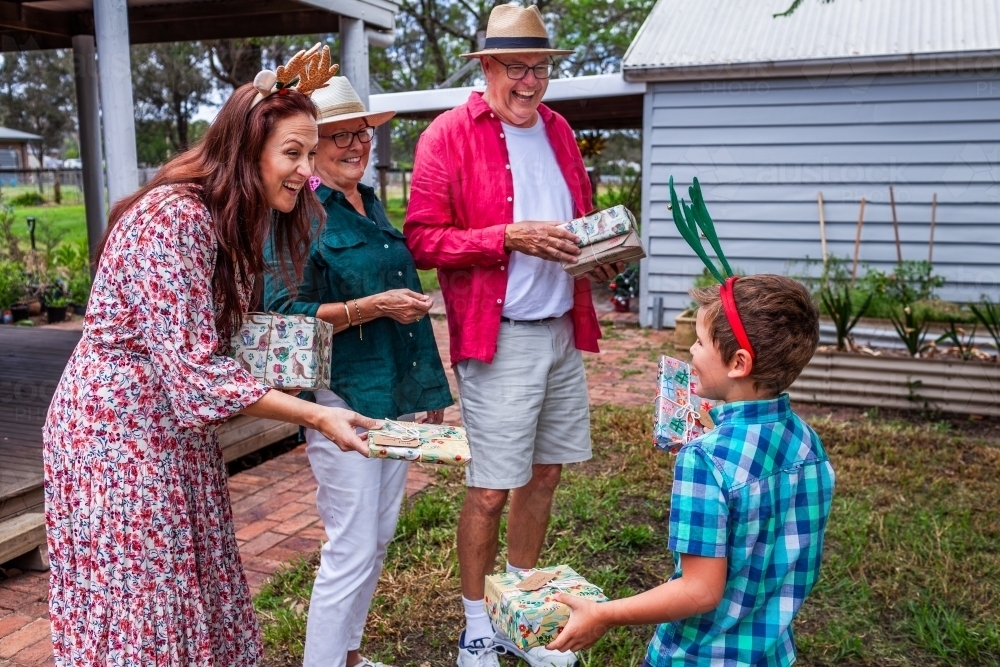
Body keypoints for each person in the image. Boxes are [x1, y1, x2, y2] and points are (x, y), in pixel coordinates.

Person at [42, 48, 378, 667]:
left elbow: (208, 343)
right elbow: (195, 372)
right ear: (247, 151)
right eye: (293, 153)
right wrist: (317, 416)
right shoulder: (178, 217)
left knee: (190, 588)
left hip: (169, 430)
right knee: (144, 605)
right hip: (117, 437)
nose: (306, 169)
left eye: (311, 153)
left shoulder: (221, 215)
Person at [404, 5, 623, 666]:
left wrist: (601, 252)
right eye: (518, 69)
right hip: (499, 337)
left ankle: (518, 614)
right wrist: (507, 236)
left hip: (560, 326)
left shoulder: (558, 130)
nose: (531, 82)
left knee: (545, 474)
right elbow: (422, 237)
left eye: (542, 69)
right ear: (489, 68)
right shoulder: (447, 135)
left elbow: (576, 222)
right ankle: (476, 624)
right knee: (492, 487)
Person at [546, 274, 836, 667]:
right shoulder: (808, 444)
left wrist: (603, 613)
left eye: (700, 342)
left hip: (696, 656)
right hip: (769, 653)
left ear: (739, 363)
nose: (691, 350)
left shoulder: (705, 459)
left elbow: (699, 592)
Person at [263, 77, 453, 667]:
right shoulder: (298, 214)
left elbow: (406, 295)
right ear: (310, 149)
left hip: (394, 389)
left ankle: (347, 656)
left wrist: (428, 387)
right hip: (340, 396)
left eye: (362, 134)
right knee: (349, 545)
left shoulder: (369, 202)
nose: (355, 145)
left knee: (377, 537)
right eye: (337, 136)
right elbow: (282, 312)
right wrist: (369, 308)